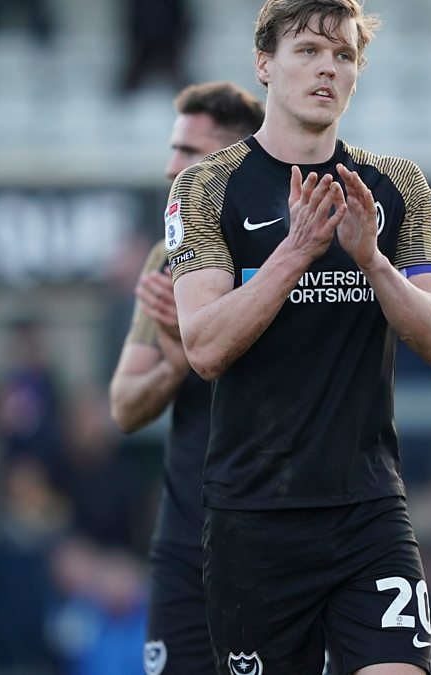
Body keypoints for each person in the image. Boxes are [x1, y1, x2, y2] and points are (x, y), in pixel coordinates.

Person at [165, 0, 431, 671]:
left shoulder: (397, 186)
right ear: (265, 64)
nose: (328, 68)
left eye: (344, 55)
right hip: (255, 518)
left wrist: (373, 260)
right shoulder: (207, 186)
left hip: (369, 510)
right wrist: (295, 252)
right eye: (309, 51)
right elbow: (205, 346)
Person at [108, 81, 264, 675]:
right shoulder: (165, 260)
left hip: (270, 530)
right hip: (184, 536)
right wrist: (177, 357)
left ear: (232, 163)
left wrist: (210, 336)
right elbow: (124, 406)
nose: (172, 166)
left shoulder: (288, 252)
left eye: (190, 154)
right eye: (173, 150)